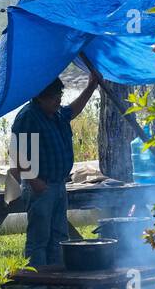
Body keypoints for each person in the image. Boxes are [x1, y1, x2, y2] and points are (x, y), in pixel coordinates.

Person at [9, 67, 101, 267]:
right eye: (53, 97)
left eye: (59, 95)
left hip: (58, 185)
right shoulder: (29, 117)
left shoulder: (57, 114)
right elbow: (18, 152)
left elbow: (73, 109)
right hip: (40, 186)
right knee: (39, 239)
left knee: (59, 236)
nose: (58, 100)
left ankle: (57, 280)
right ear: (40, 97)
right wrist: (34, 181)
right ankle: (37, 286)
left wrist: (91, 86)